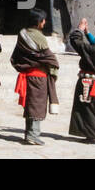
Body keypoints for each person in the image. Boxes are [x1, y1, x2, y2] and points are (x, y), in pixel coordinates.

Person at [10, 8, 59, 146]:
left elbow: (16, 57)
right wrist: (53, 70)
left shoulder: (22, 34)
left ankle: (28, 134)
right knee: (37, 106)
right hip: (39, 77)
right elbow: (49, 57)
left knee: (30, 106)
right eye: (43, 20)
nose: (44, 23)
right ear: (39, 22)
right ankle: (33, 135)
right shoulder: (39, 37)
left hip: (28, 76)